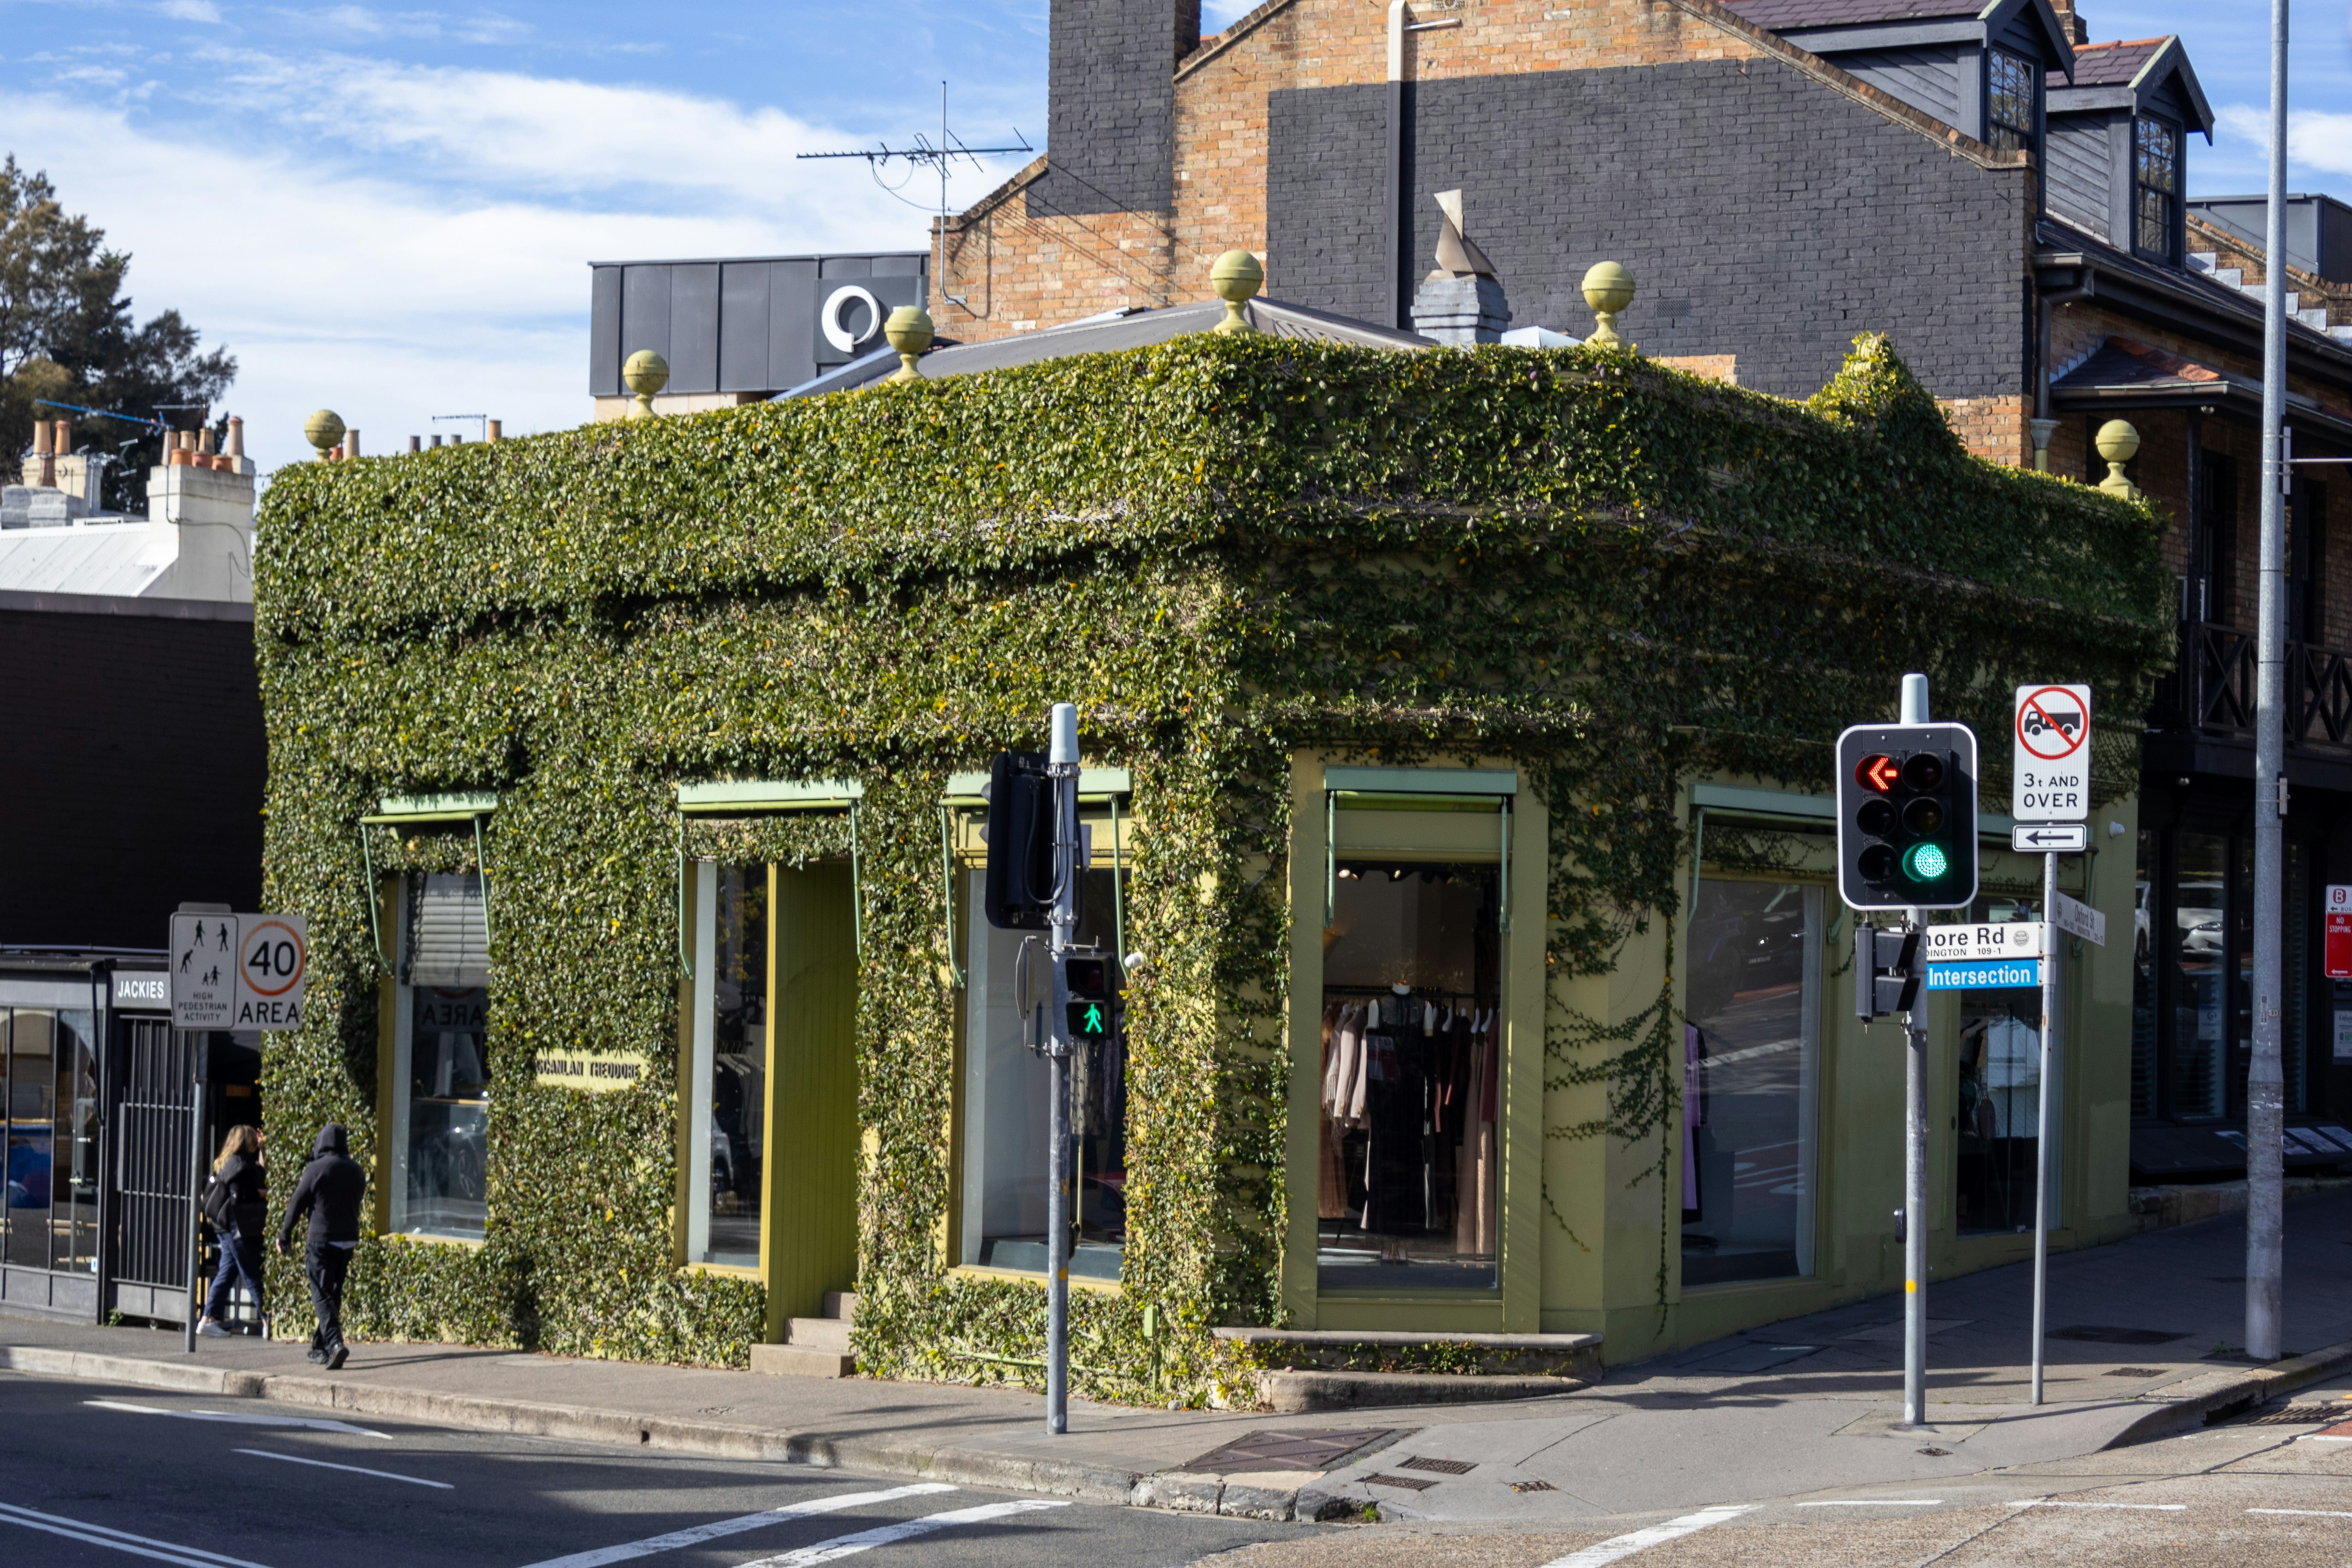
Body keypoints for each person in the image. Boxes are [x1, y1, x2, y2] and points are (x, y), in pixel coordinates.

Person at [274, 1123, 365, 1370]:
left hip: (321, 1239)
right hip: (348, 1239)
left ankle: (335, 1344)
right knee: (333, 1293)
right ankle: (320, 1347)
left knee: (321, 1293)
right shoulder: (356, 1170)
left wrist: (285, 1236)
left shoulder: (316, 1169)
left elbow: (297, 1203)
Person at [197, 1125, 267, 1337]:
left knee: (227, 1272)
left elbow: (259, 1173)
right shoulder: (238, 1164)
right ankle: (267, 1319)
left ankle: (208, 1319)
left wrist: (263, 1151)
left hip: (225, 1227)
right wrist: (263, 1194)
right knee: (251, 1272)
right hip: (238, 1228)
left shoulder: (229, 1162)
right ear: (244, 1141)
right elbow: (241, 1194)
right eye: (253, 1139)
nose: (256, 1141)